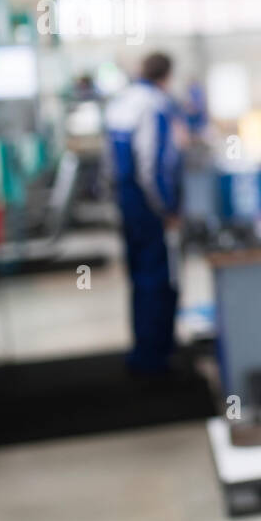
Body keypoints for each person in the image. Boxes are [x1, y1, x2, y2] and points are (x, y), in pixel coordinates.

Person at [105, 52, 184, 375]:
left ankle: (143, 349)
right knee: (157, 279)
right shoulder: (155, 106)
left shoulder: (120, 103)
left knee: (139, 278)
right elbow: (152, 166)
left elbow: (111, 165)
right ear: (166, 75)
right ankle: (155, 356)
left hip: (128, 205)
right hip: (149, 208)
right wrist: (166, 207)